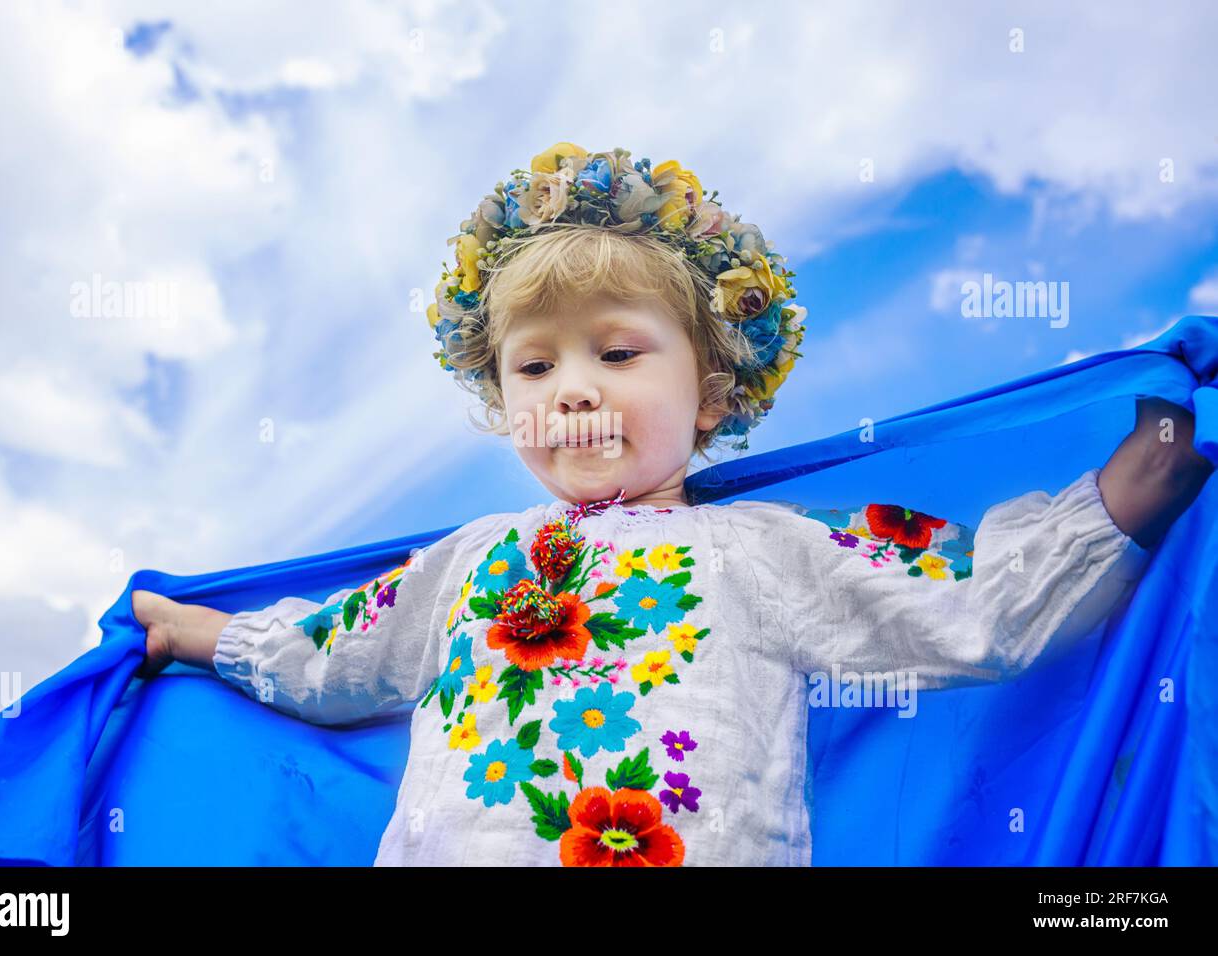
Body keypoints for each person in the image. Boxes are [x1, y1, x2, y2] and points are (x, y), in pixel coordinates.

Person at [132, 143, 1214, 866]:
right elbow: (331, 655)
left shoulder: (763, 552)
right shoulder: (468, 562)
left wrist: (1125, 492)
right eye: (532, 366)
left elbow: (976, 606)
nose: (572, 388)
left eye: (614, 350)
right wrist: (192, 631)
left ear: (707, 393)